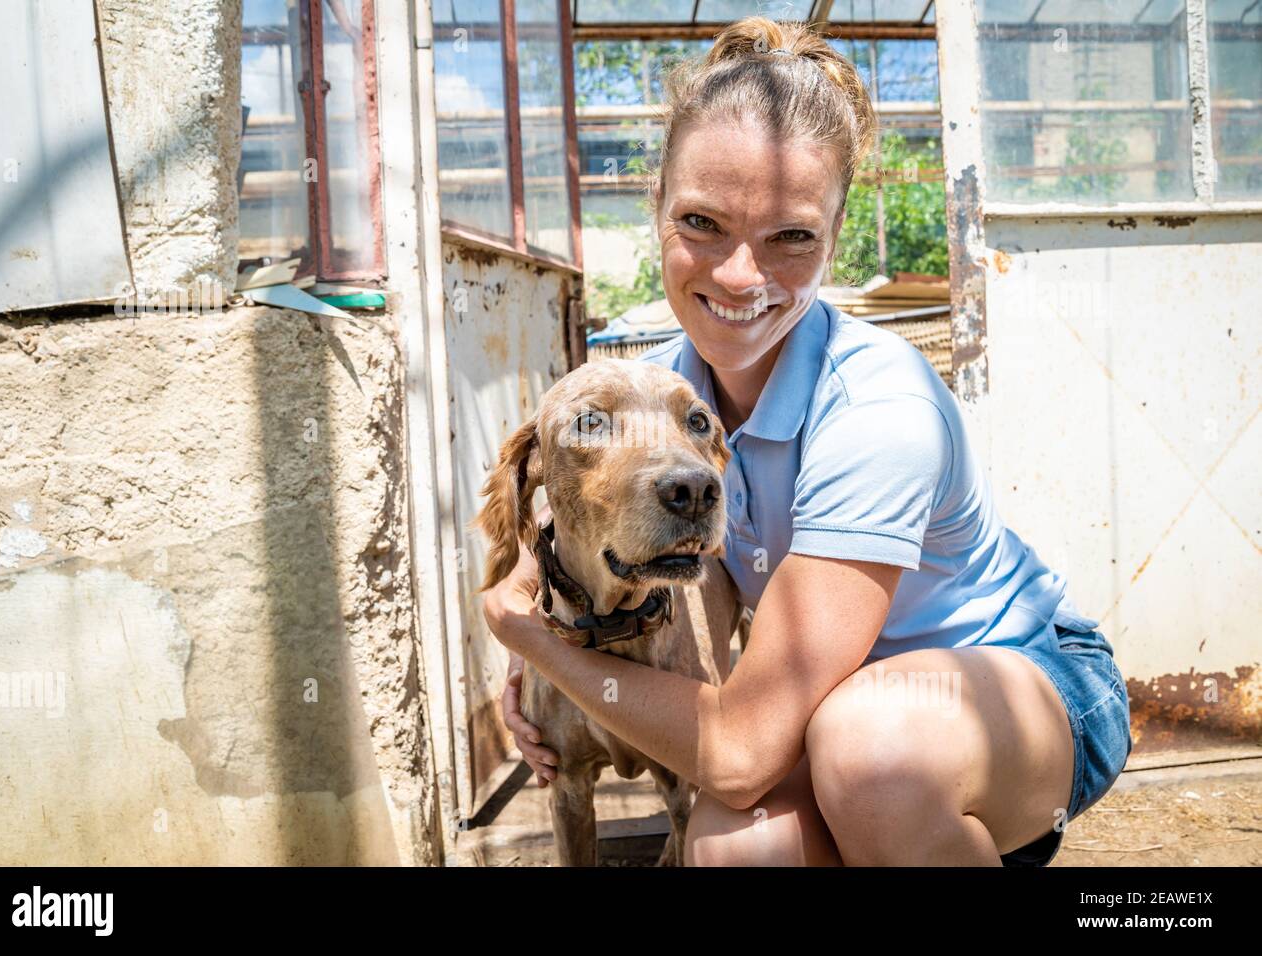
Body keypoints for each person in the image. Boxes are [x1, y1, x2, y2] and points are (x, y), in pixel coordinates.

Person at [482, 16, 1132, 866]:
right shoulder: (671, 389)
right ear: (657, 214)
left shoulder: (876, 408)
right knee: (735, 846)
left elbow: (748, 752)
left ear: (833, 237)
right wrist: (537, 622)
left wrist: (528, 642)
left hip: (1019, 680)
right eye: (702, 223)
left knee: (869, 758)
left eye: (790, 237)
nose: (740, 277)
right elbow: (575, 514)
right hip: (829, 711)